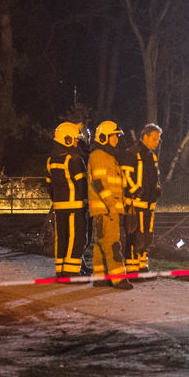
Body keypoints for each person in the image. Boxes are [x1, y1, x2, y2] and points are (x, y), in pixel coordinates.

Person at [87, 120, 130, 288]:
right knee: (113, 244)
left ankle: (100, 277)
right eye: (114, 137)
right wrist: (112, 206)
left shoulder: (107, 156)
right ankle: (118, 279)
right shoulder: (100, 156)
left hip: (102, 208)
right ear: (104, 137)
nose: (116, 140)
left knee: (100, 244)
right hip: (106, 209)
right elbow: (100, 184)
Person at [45, 121, 88, 277]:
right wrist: (85, 202)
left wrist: (57, 199)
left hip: (59, 206)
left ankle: (61, 270)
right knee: (76, 239)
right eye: (76, 139)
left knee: (61, 238)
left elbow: (48, 185)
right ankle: (71, 272)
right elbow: (82, 184)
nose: (77, 142)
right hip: (75, 207)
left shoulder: (51, 160)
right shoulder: (75, 159)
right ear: (68, 139)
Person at [122, 123, 163, 278]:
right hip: (134, 204)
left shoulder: (151, 156)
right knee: (133, 235)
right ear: (145, 137)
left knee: (146, 235)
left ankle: (142, 266)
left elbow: (156, 177)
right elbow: (126, 175)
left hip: (148, 204)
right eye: (154, 139)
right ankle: (132, 268)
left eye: (158, 140)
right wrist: (136, 191)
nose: (156, 142)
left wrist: (157, 189)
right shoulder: (132, 153)